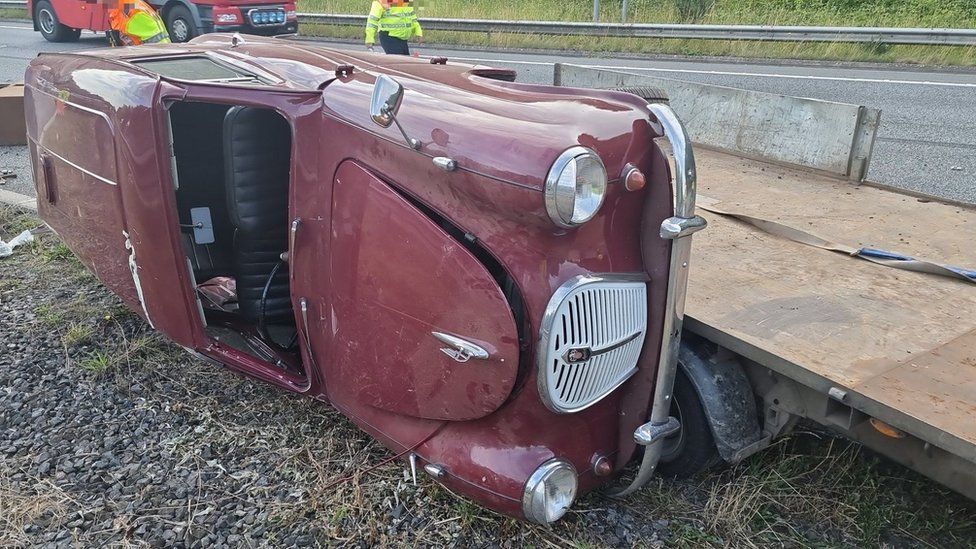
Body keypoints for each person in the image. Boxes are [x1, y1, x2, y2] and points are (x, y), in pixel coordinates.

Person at [106, 0, 171, 46]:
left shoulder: (133, 12)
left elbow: (155, 44)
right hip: (156, 56)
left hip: (155, 58)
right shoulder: (125, 9)